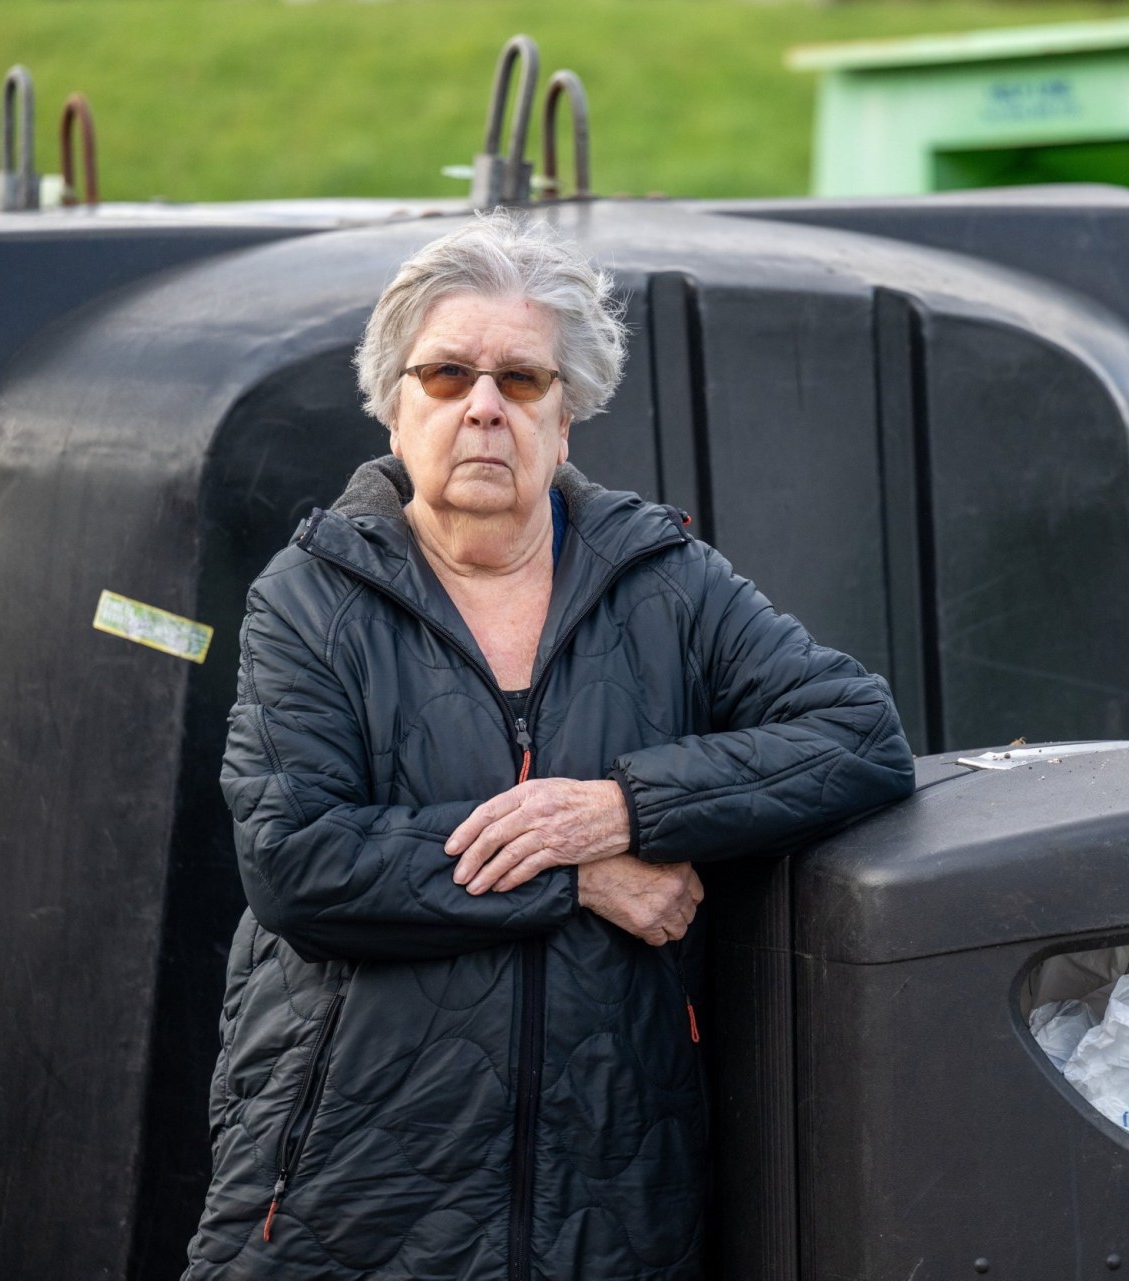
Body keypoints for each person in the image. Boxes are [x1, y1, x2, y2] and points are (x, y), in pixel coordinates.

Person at [181, 211, 915, 1280]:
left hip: (612, 1201)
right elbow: (299, 862)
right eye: (447, 375)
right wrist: (578, 877)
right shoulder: (310, 599)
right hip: (352, 1206)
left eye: (521, 379)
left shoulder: (665, 583)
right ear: (395, 407)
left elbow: (859, 734)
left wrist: (621, 810)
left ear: (565, 420)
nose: (484, 405)